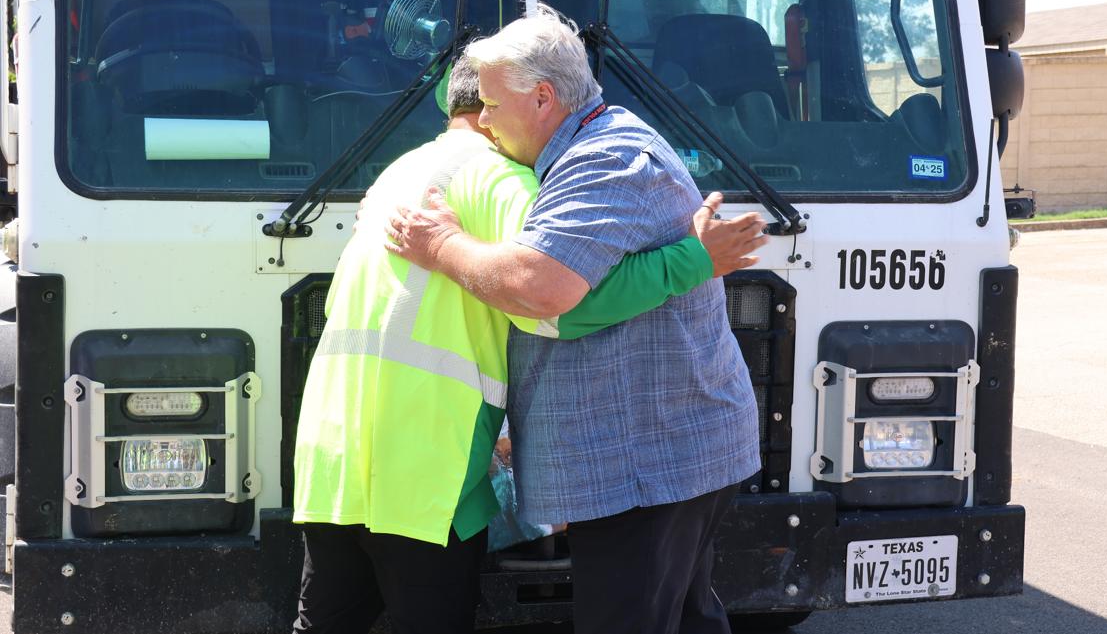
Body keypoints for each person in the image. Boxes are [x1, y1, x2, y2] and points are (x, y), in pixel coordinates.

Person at [290, 57, 763, 634]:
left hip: (333, 453)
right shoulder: (500, 181)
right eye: (488, 106)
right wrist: (693, 259)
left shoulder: (397, 174)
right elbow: (555, 303)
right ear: (493, 113)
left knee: (326, 621)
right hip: (425, 461)